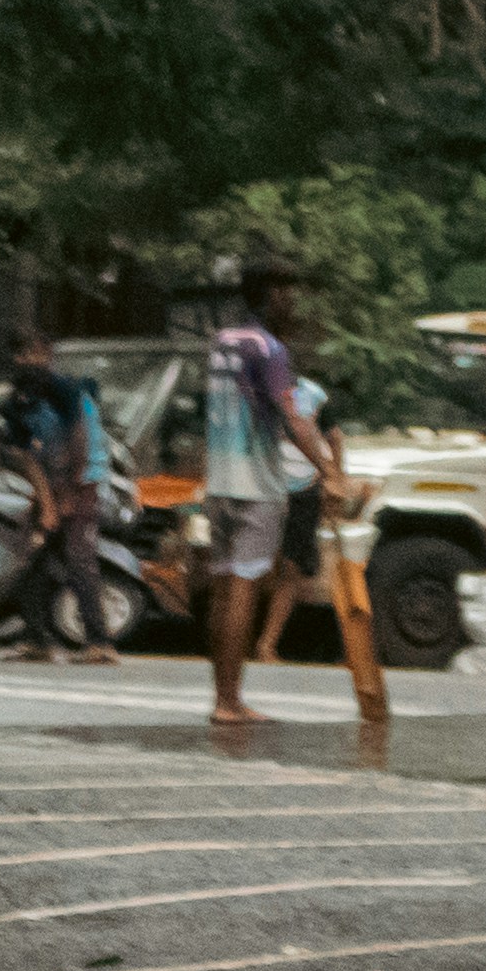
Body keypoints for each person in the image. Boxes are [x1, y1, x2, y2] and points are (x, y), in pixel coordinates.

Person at [193, 258, 347, 731]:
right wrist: (328, 470)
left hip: (219, 481)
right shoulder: (270, 348)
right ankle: (231, 701)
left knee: (223, 589)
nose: (292, 304)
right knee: (244, 589)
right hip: (257, 484)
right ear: (269, 295)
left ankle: (223, 697)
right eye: (287, 294)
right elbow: (292, 418)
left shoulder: (222, 342)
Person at [0, 343, 118, 664]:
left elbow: (81, 442)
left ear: (47, 356)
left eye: (34, 354)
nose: (27, 361)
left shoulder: (66, 390)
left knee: (78, 557)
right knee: (31, 555)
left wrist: (71, 495)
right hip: (51, 479)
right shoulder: (14, 402)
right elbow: (25, 457)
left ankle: (100, 642)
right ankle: (38, 639)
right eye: (21, 354)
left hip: (85, 477)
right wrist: (47, 502)